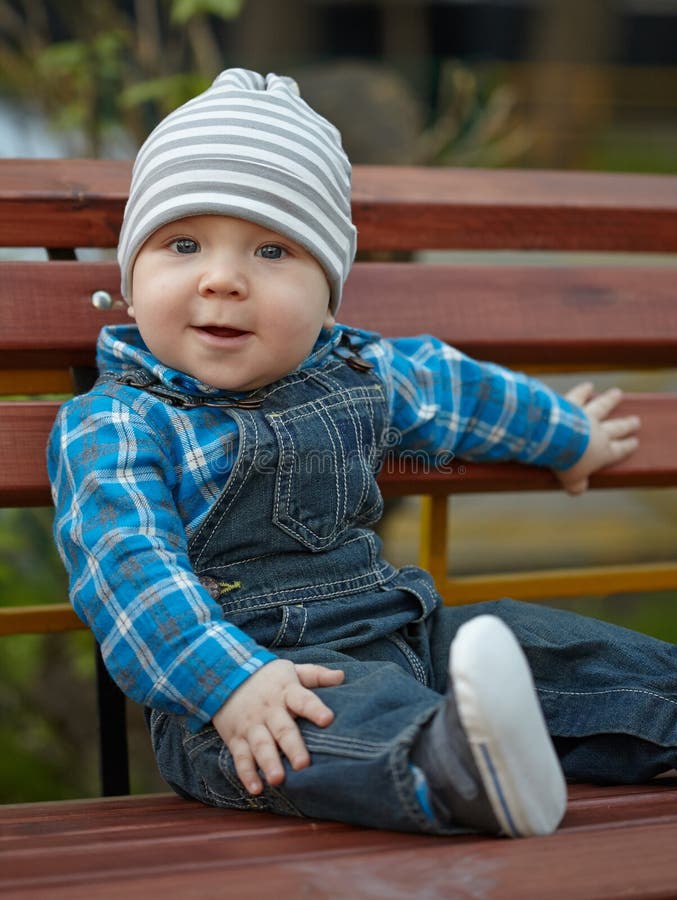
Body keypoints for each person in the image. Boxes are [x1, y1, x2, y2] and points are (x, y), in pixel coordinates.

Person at [48, 68, 676, 838]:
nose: (221, 279)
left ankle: (635, 716)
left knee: (542, 647)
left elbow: (457, 393)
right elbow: (128, 572)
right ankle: (458, 771)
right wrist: (229, 684)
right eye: (182, 243)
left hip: (406, 631)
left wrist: (566, 436)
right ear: (132, 287)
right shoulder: (114, 424)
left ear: (327, 295)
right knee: (328, 730)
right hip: (247, 692)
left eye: (273, 251)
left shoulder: (355, 369)